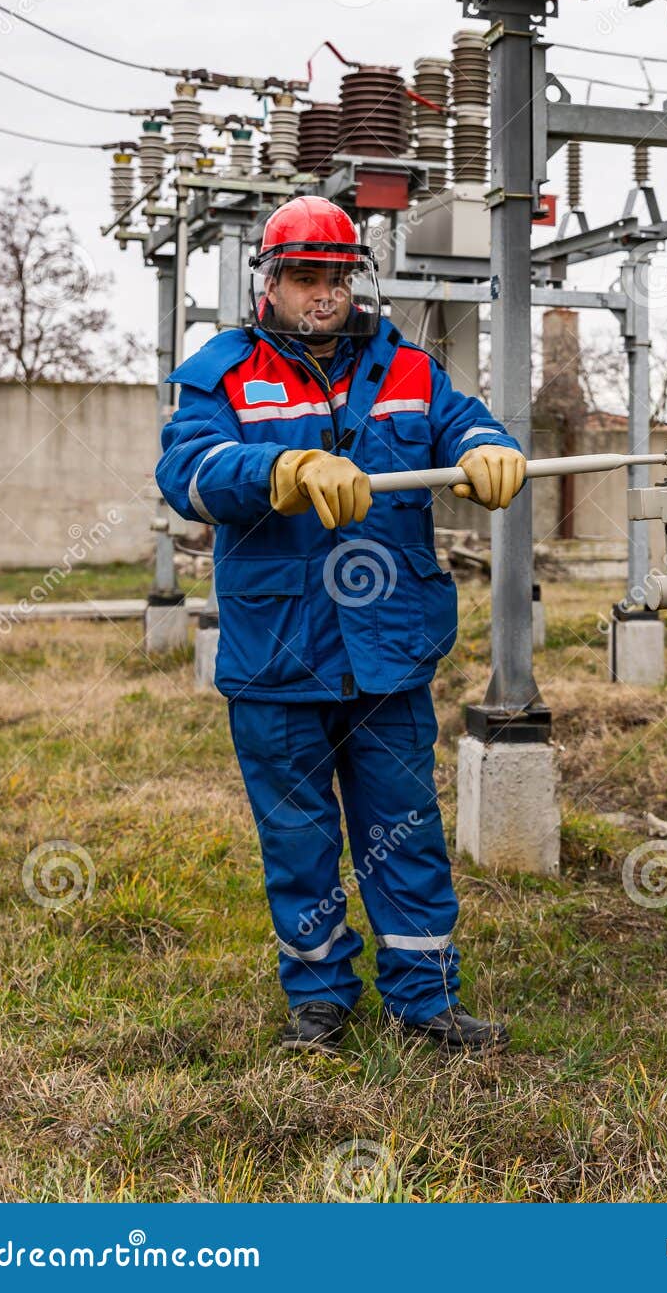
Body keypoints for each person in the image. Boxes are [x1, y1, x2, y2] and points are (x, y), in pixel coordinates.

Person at [155, 195, 526, 1054]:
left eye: (335, 276)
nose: (322, 293)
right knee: (298, 841)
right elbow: (186, 472)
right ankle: (319, 999)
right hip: (277, 654)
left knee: (406, 833)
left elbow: (464, 424)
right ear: (271, 282)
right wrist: (279, 465)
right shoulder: (222, 372)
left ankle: (425, 1004)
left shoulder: (408, 369)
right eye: (303, 277)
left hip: (388, 651)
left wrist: (484, 444)